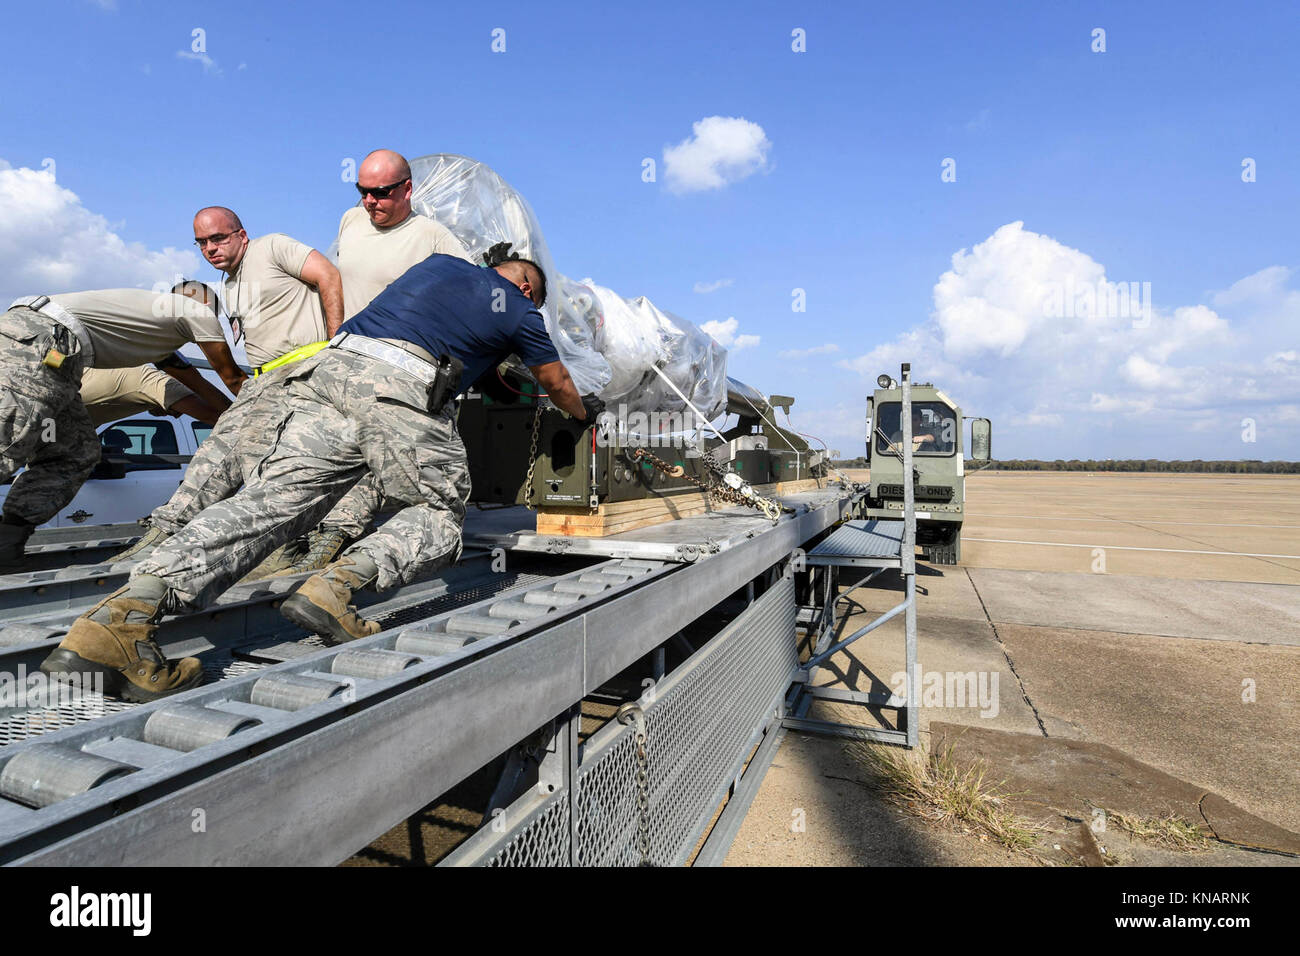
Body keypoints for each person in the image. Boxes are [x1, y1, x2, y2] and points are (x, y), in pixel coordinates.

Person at [43, 250, 602, 701]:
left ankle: (120, 618)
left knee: (272, 503)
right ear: (527, 288)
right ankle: (335, 589)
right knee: (435, 512)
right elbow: (554, 383)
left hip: (325, 376)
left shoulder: (437, 266)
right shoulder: (519, 308)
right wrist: (584, 414)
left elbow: (441, 330)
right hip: (398, 387)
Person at [260, 149, 474, 575]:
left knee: (373, 459)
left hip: (399, 373)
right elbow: (338, 279)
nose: (370, 202)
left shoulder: (435, 239)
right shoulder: (351, 220)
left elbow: (470, 302)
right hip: (345, 363)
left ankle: (334, 541)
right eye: (363, 192)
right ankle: (295, 538)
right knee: (317, 450)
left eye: (381, 192)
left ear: (407, 189)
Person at [114, 207, 344, 561]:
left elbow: (328, 275)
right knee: (233, 454)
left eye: (218, 238)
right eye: (202, 242)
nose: (210, 248)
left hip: (308, 368)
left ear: (241, 235)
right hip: (266, 379)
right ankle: (173, 534)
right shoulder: (229, 284)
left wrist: (336, 347)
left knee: (292, 458)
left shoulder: (272, 247)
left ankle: (298, 544)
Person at [0, 283, 244, 569]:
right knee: (7, 445)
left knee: (76, 452)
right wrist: (257, 416)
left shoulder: (150, 332)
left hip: (59, 357)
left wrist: (235, 412)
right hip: (43, 342)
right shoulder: (192, 310)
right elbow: (232, 378)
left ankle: (6, 543)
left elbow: (196, 381)